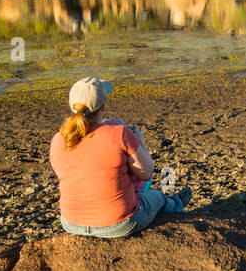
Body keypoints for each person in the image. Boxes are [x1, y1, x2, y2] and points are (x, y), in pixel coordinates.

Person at [49, 76, 190, 238]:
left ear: (72, 107)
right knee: (157, 196)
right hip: (118, 223)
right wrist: (139, 140)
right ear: (103, 107)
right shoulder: (120, 133)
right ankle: (177, 205)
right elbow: (147, 172)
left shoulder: (58, 139)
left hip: (71, 222)